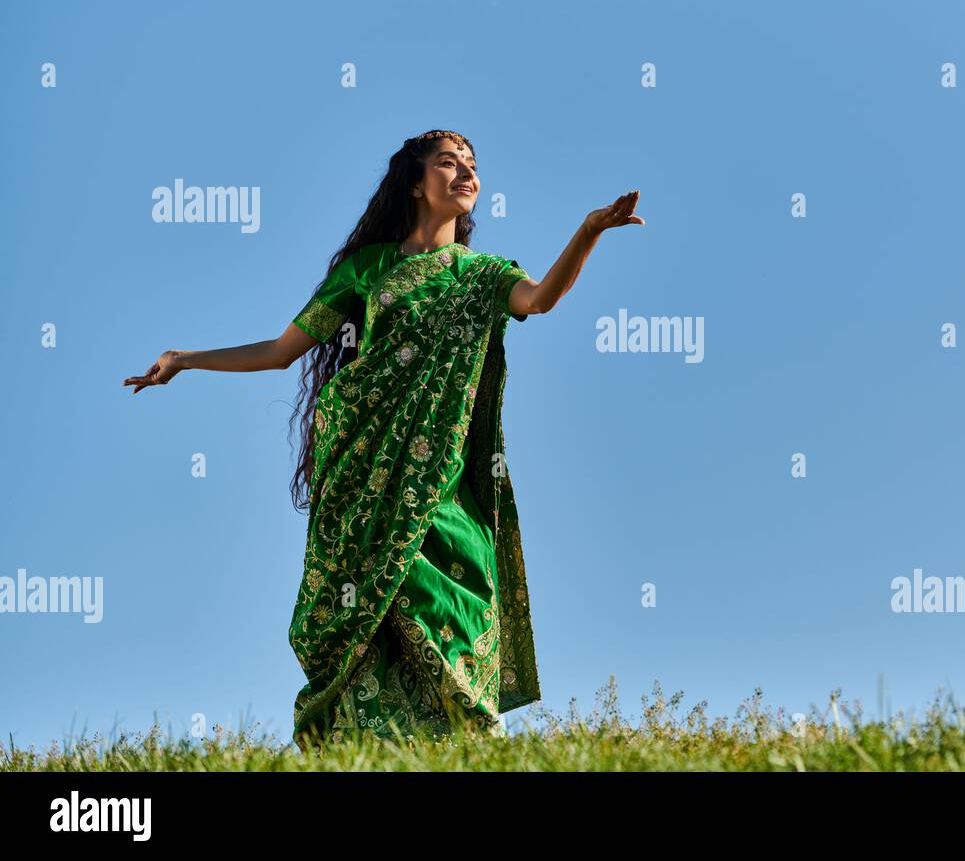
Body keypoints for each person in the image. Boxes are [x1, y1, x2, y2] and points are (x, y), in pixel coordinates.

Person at [123, 129, 644, 752]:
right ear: (416, 182)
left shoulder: (483, 275)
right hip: (362, 471)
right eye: (448, 163)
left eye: (472, 165)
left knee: (451, 591)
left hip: (444, 479)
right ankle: (360, 751)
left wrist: (588, 231)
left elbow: (539, 299)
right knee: (366, 611)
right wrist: (184, 358)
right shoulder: (366, 269)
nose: (465, 174)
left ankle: (468, 744)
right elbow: (281, 351)